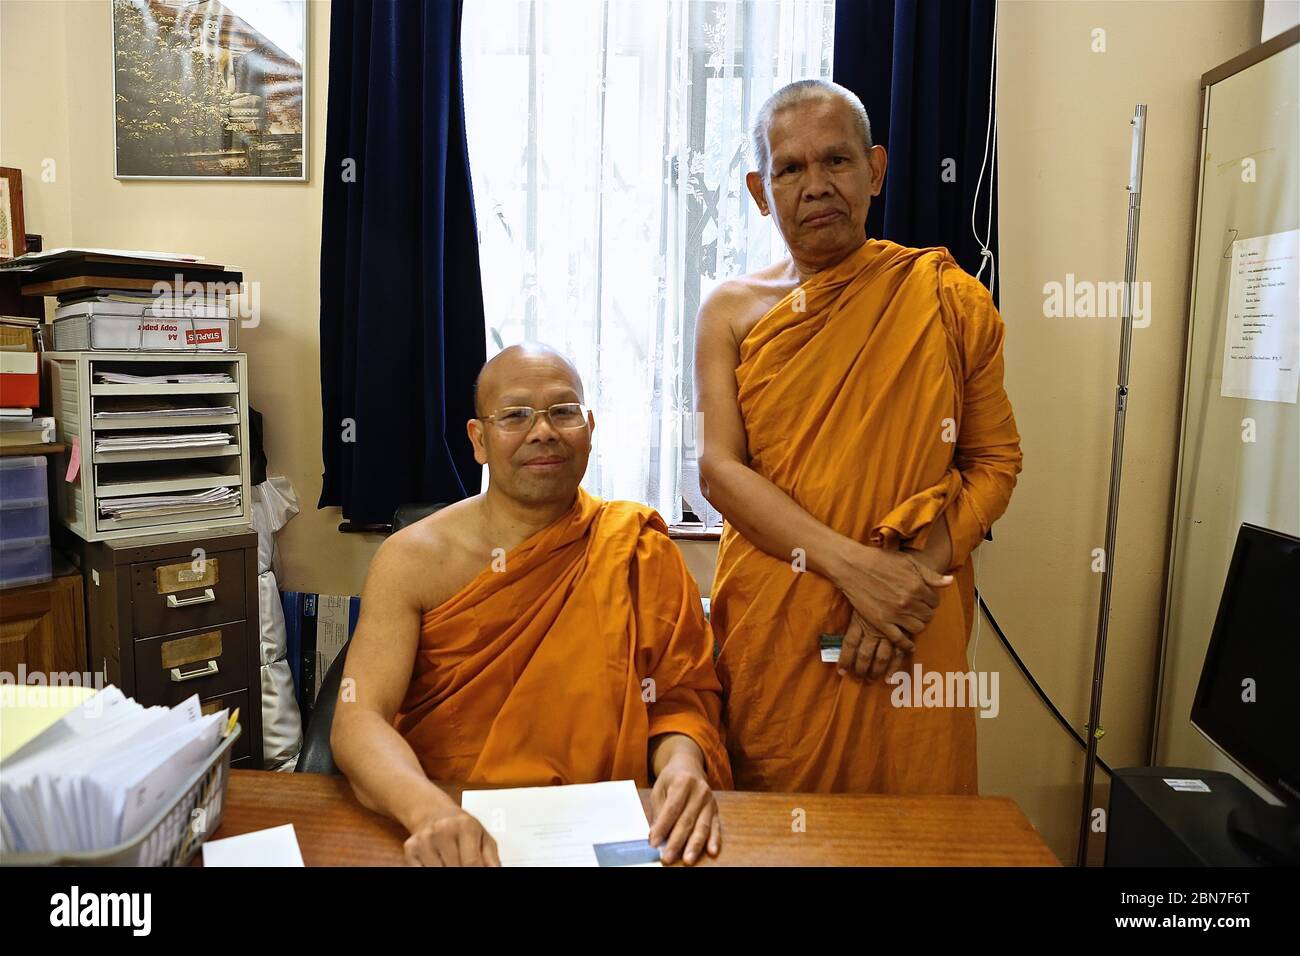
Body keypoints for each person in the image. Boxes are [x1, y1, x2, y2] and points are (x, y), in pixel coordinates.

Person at [695, 79, 1022, 794]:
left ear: (874, 169)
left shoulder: (945, 296)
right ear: (760, 189)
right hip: (781, 620)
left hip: (912, 615)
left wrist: (908, 581)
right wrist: (857, 571)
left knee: (916, 827)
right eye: (791, 169)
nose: (816, 186)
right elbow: (719, 471)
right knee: (778, 826)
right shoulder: (731, 311)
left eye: (836, 162)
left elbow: (994, 464)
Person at [333, 344, 732, 866]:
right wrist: (427, 812)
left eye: (562, 412)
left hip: (608, 826)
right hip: (455, 814)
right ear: (478, 440)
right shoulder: (412, 559)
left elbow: (678, 701)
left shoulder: (636, 545)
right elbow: (359, 715)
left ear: (589, 428)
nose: (542, 431)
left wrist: (683, 767)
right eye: (516, 415)